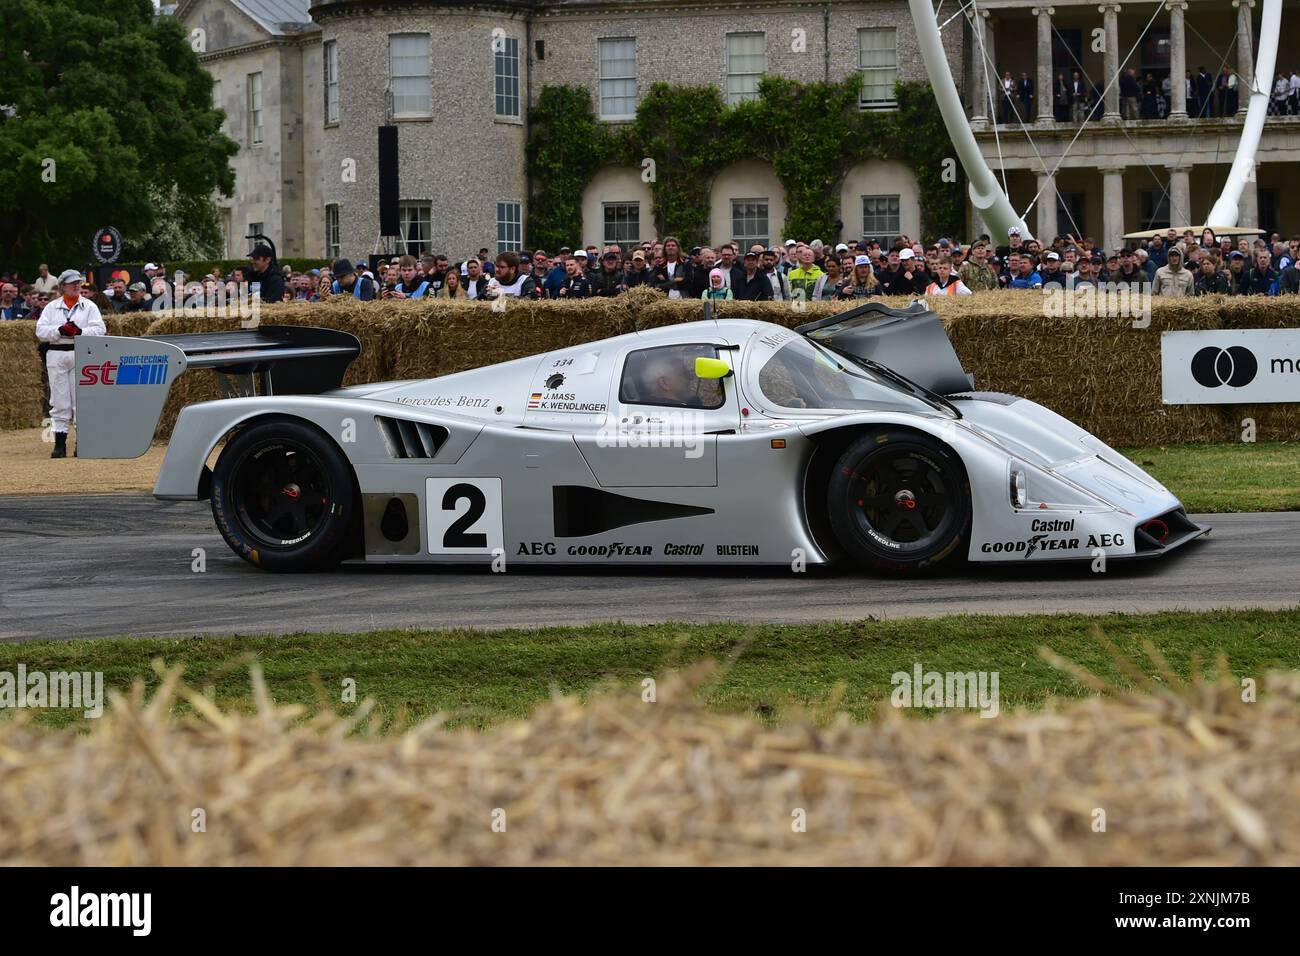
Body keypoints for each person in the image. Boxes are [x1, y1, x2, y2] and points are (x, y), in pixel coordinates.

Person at [35, 270, 105, 458]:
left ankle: (82, 443)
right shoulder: (51, 307)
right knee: (59, 401)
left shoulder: (89, 306)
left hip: (80, 353)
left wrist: (80, 332)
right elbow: (40, 331)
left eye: (78, 283)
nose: (77, 286)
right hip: (57, 354)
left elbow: (100, 329)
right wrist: (59, 330)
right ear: (62, 286)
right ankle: (59, 443)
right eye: (72, 283)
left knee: (80, 400)